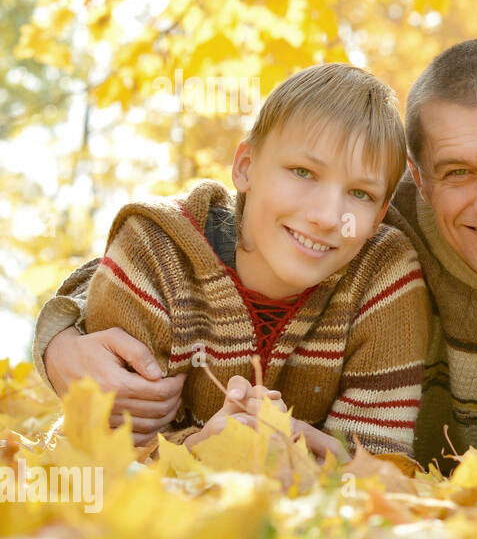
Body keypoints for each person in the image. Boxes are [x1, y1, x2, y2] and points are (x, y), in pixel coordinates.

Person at [35, 40, 477, 476]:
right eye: (457, 171)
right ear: (418, 180)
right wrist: (59, 335)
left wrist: (267, 455)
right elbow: (184, 235)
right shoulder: (377, 218)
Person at [57, 63, 430, 457]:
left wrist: (293, 445)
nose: (325, 216)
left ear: (379, 215)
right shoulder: (155, 252)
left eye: (360, 194)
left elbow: (378, 468)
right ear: (245, 167)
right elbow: (96, 452)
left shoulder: (385, 276)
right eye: (303, 172)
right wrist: (200, 450)